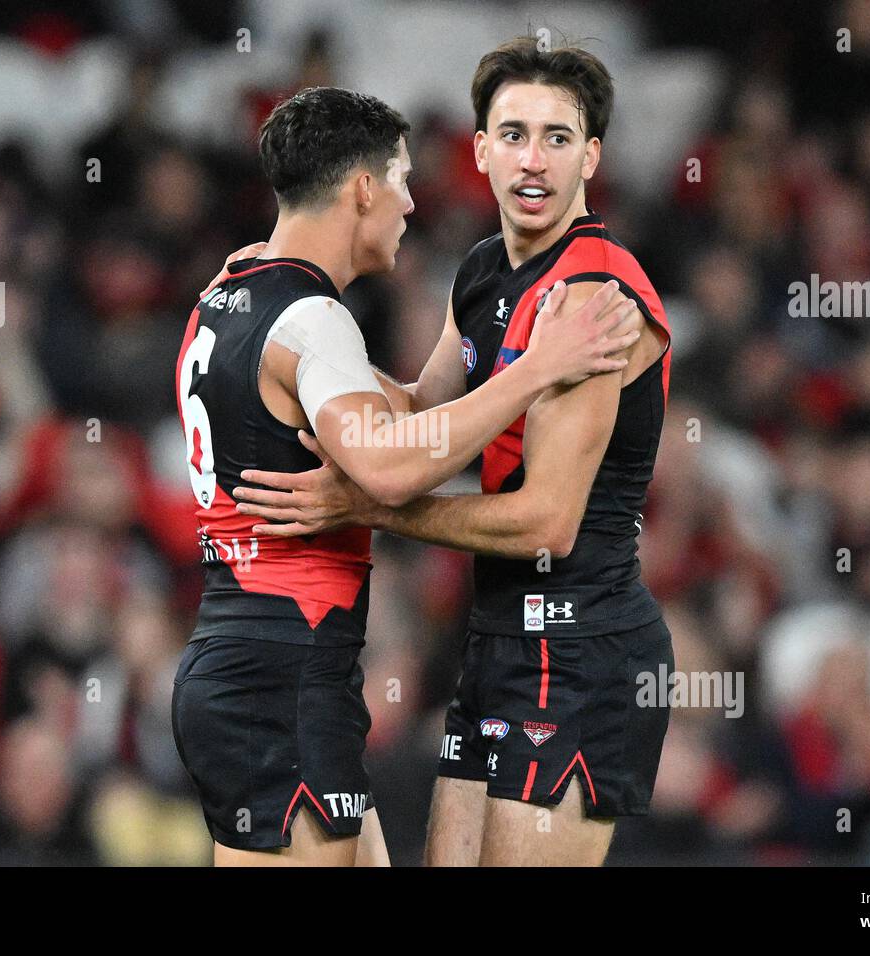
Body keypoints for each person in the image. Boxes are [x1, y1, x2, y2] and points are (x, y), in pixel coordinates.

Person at [173, 85, 643, 866]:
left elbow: (400, 413)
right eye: (400, 180)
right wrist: (537, 371)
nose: (411, 202)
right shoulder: (312, 317)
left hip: (260, 662)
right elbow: (391, 466)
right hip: (281, 673)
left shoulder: (228, 296)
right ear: (362, 189)